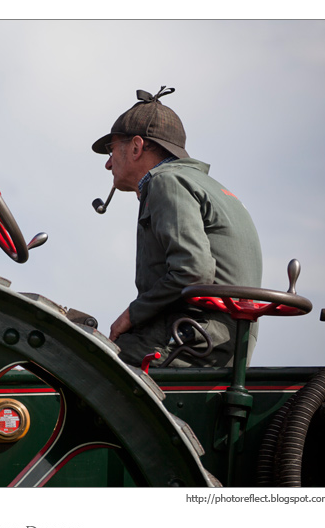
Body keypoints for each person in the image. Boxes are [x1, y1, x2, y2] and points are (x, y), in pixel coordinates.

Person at [91, 87, 263, 367]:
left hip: (195, 339)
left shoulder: (166, 182)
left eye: (112, 150)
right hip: (220, 341)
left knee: (88, 362)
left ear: (136, 147)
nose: (108, 164)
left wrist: (131, 315)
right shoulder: (208, 186)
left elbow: (193, 272)